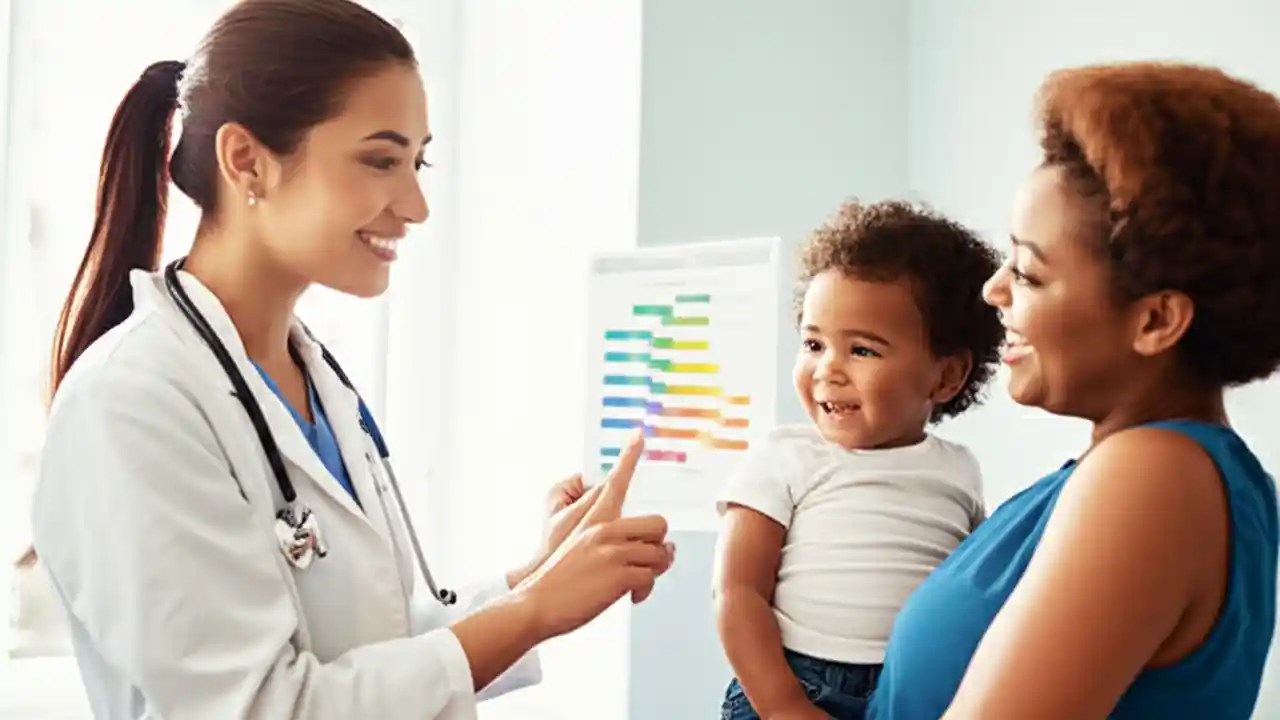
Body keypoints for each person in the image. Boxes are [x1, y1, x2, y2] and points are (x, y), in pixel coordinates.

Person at [29, 2, 673, 718]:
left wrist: (535, 579)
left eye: (418, 161)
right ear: (246, 161)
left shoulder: (313, 380)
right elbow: (263, 707)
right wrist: (532, 612)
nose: (417, 203)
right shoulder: (133, 401)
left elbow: (382, 652)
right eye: (381, 160)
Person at [868, 61, 1280, 720]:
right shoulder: (1151, 475)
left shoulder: (1154, 477)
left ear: (1156, 320)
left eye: (1028, 273)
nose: (992, 290)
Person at [714, 200, 1003, 719]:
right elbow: (736, 592)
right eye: (813, 344)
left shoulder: (959, 471)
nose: (828, 370)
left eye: (862, 350)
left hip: (913, 691)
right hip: (793, 685)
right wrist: (782, 705)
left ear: (946, 376)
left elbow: (965, 589)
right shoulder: (785, 457)